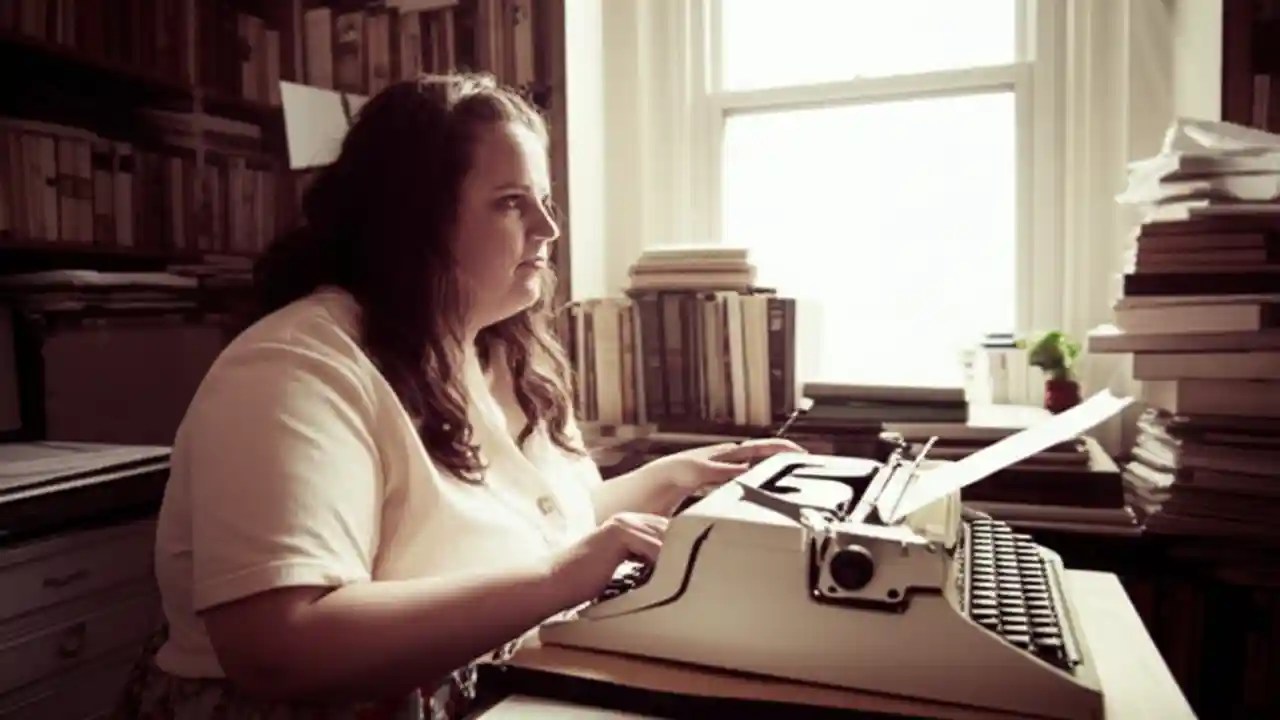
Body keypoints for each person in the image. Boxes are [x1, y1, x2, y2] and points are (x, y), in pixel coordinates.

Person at [112, 73, 801, 719]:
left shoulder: (498, 351)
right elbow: (280, 649)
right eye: (511, 202)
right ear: (412, 220)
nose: (549, 229)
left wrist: (671, 479)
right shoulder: (292, 367)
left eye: (545, 201)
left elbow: (524, 536)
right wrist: (561, 578)